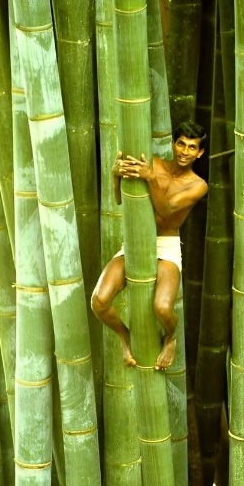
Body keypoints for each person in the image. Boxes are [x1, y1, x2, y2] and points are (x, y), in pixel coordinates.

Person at [91, 121, 209, 370]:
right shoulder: (153, 164)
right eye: (181, 144)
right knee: (99, 301)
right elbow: (120, 199)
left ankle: (171, 337)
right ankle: (126, 336)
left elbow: (166, 210)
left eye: (192, 147)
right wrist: (115, 176)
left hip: (166, 245)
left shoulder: (197, 185)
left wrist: (150, 179)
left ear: (200, 153)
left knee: (163, 308)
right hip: (136, 240)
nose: (185, 152)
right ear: (173, 144)